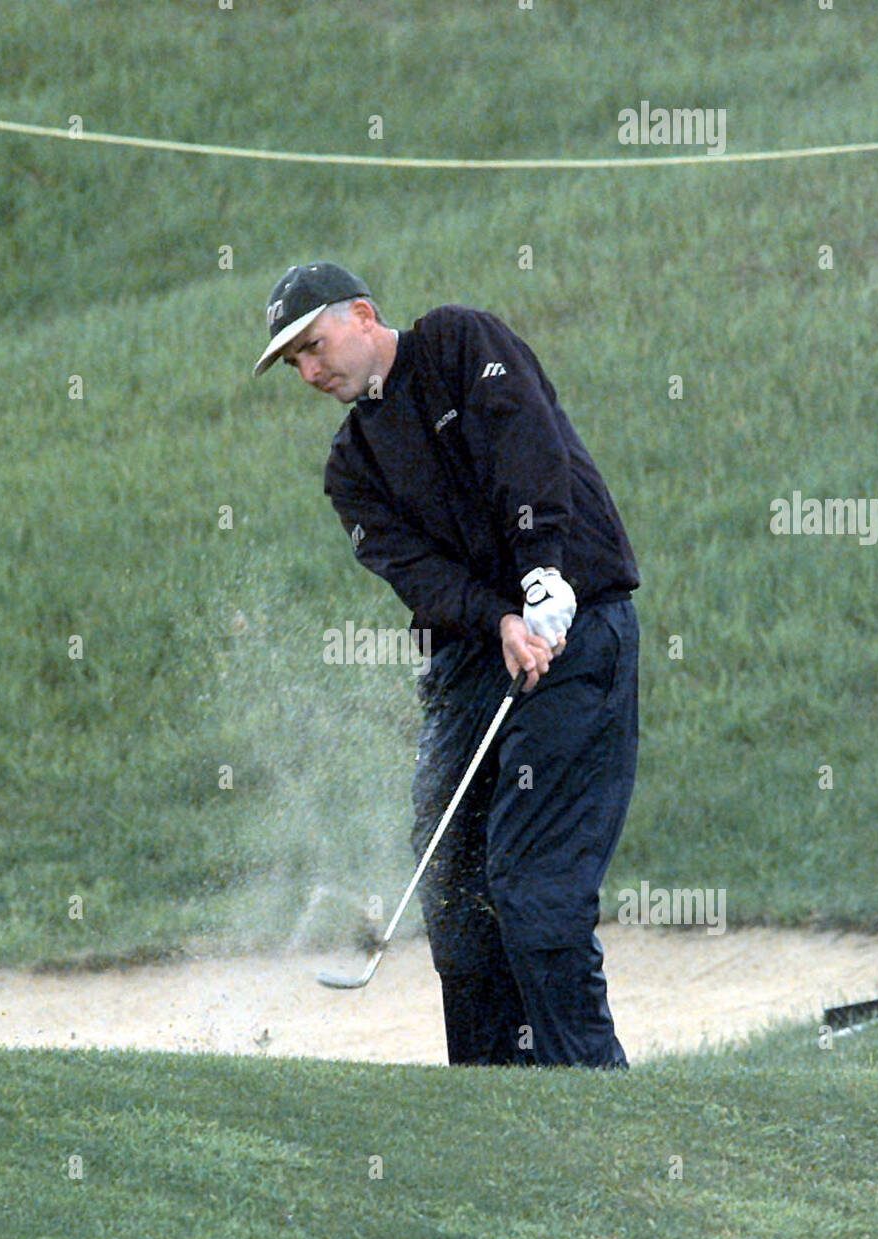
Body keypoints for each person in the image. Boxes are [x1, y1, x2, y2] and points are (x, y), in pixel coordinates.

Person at [253, 261, 640, 1069]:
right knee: (453, 885)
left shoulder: (460, 343)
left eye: (313, 346)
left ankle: (590, 1100)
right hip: (474, 656)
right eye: (294, 362)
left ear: (362, 315)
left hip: (577, 624)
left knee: (529, 882)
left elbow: (527, 446)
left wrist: (541, 573)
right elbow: (418, 577)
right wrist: (499, 617)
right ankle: (488, 1106)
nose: (310, 371)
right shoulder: (351, 468)